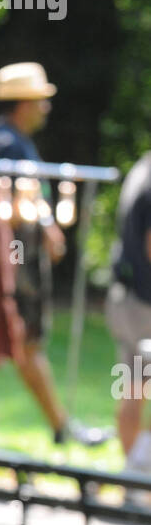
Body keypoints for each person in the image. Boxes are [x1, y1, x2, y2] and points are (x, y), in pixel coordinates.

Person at [0, 63, 110, 447]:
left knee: (9, 342)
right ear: (25, 102)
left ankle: (58, 425)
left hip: (16, 257)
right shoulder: (6, 143)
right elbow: (6, 205)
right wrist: (43, 230)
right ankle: (61, 426)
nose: (47, 108)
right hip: (14, 259)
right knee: (16, 339)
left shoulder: (8, 136)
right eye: (42, 101)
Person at [106, 151, 151, 478]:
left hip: (129, 297)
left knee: (134, 384)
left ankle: (132, 475)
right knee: (136, 386)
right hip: (142, 304)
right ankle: (136, 475)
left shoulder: (142, 167)